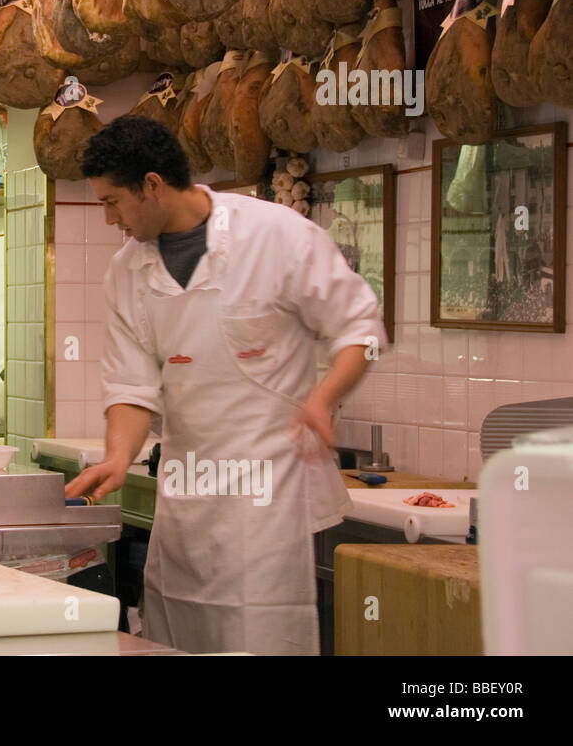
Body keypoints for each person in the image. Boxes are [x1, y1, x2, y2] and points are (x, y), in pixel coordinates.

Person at [65, 116, 386, 655]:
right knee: (176, 641)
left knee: (258, 641)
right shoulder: (125, 271)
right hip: (185, 499)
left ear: (152, 185)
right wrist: (118, 457)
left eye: (113, 202)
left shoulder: (276, 235)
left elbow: (362, 330)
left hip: (268, 498)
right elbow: (131, 383)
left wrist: (323, 399)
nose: (108, 218)